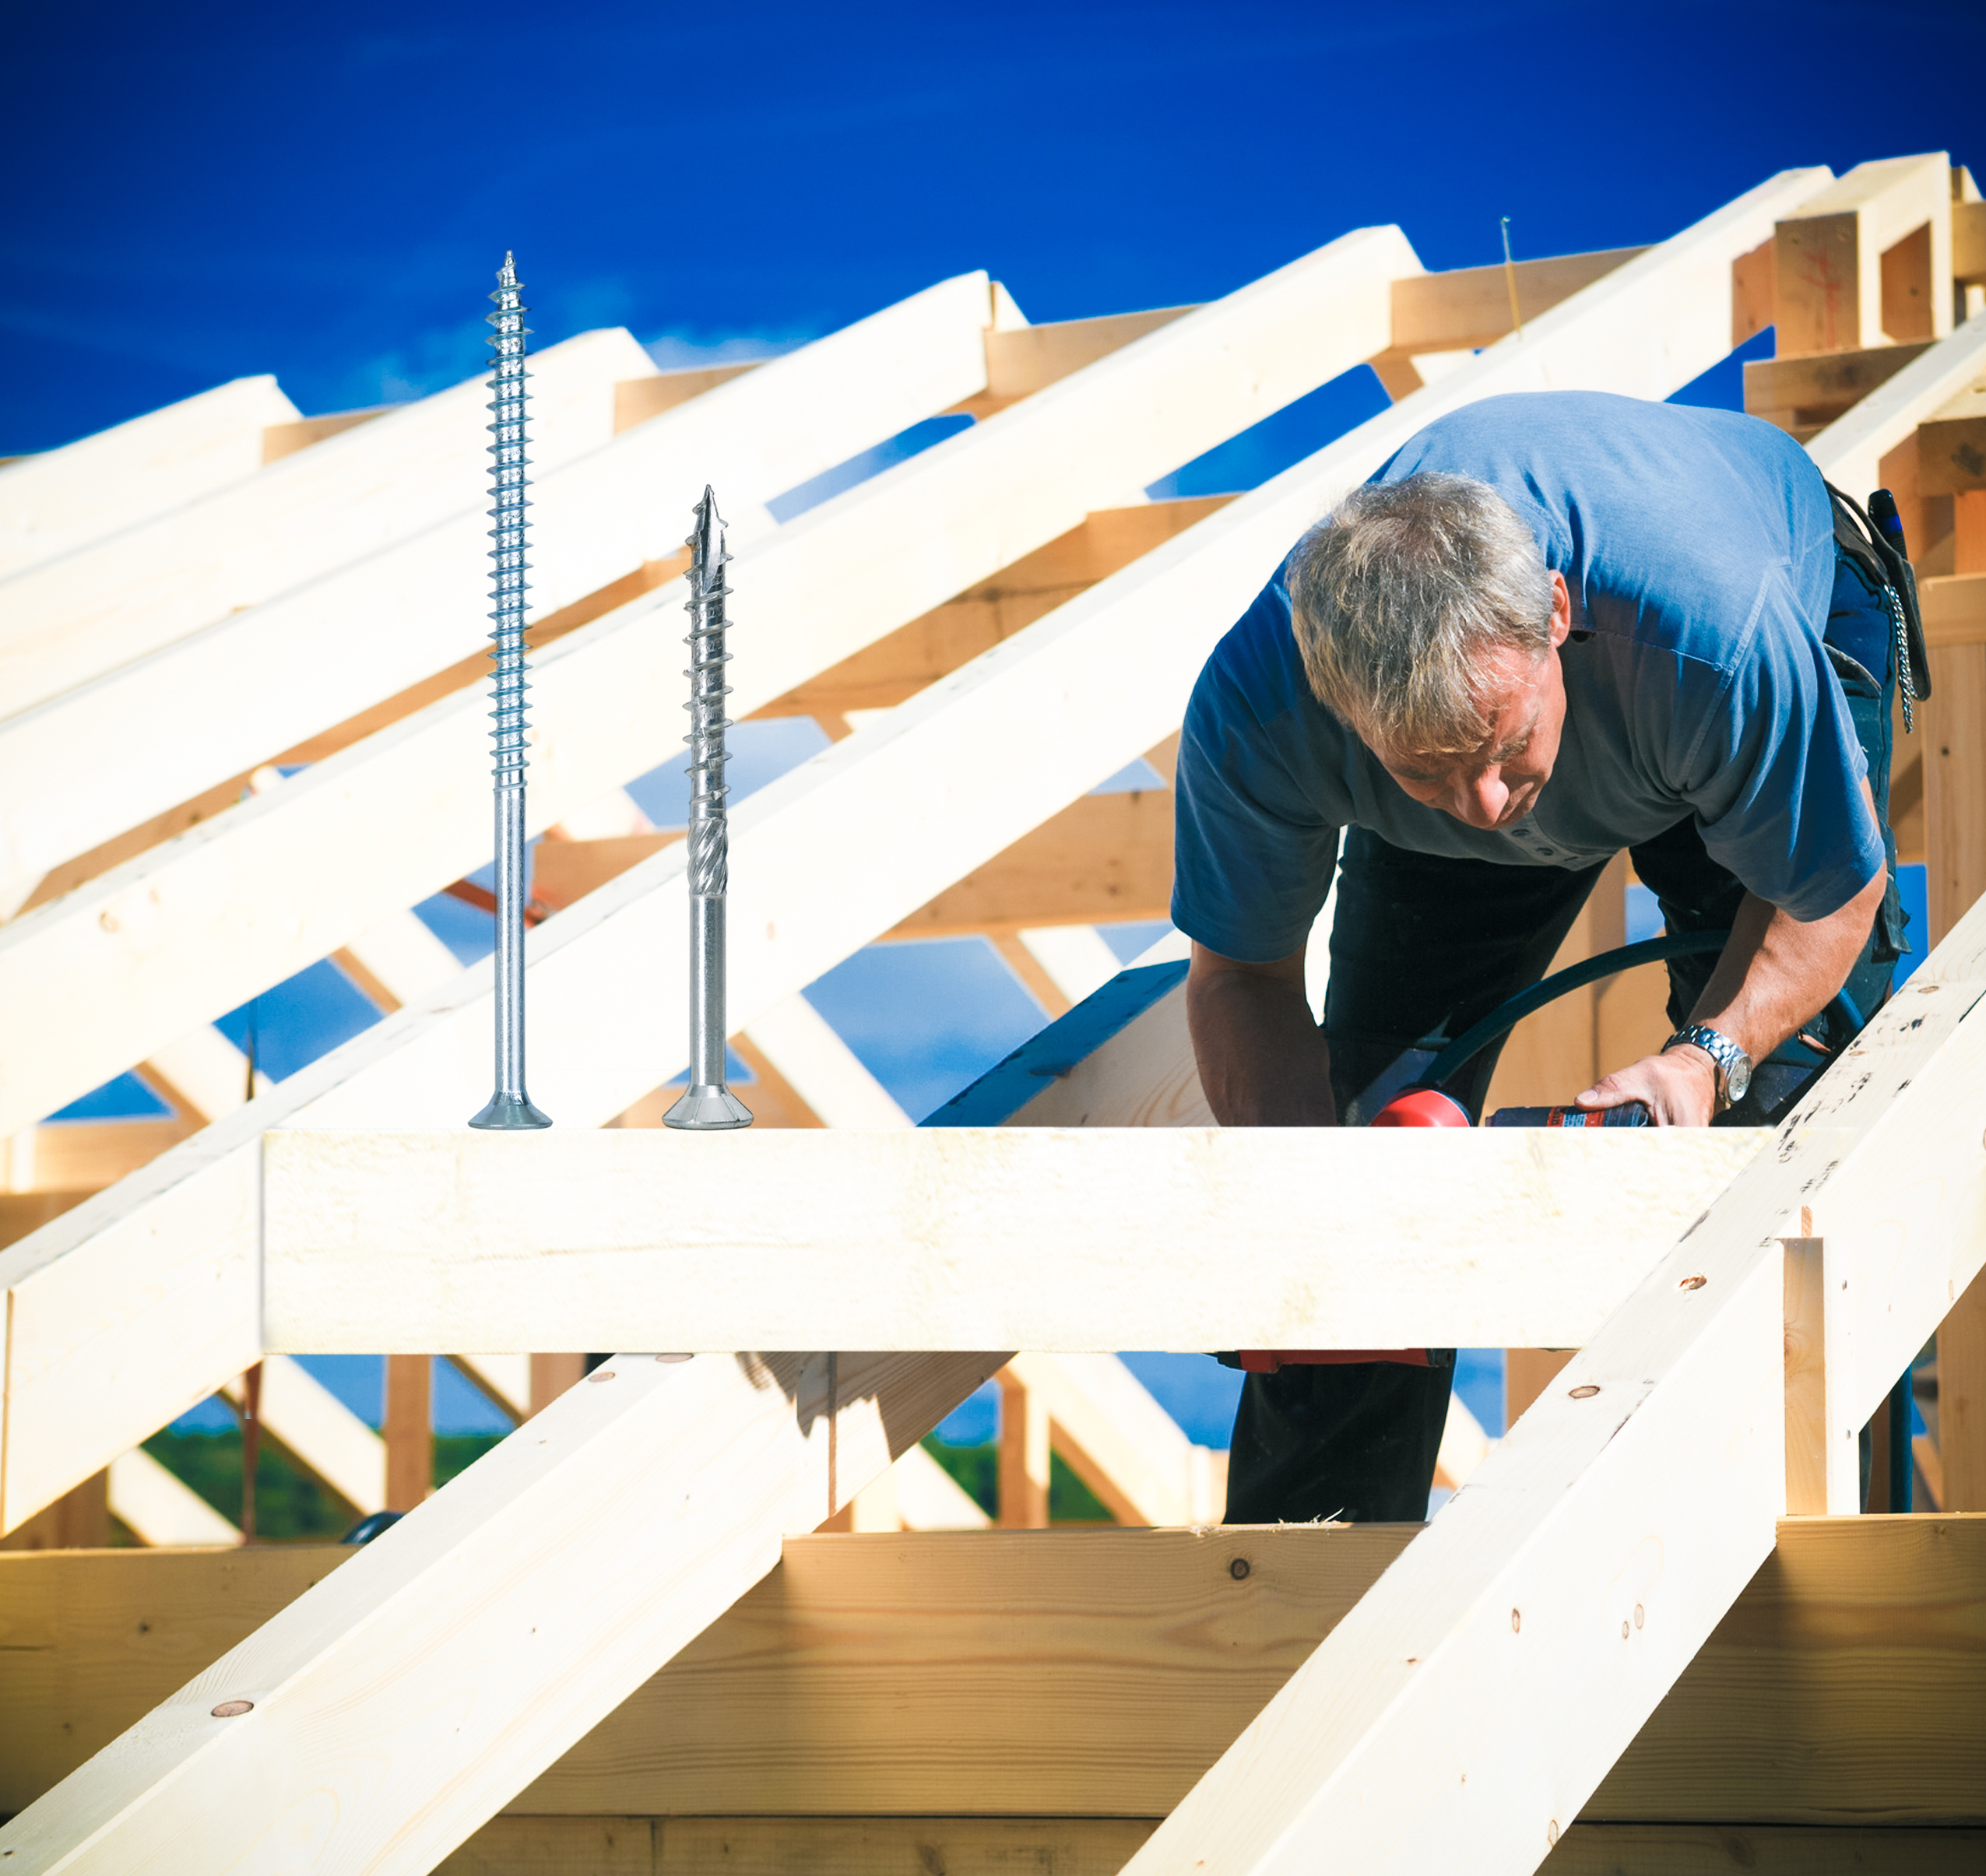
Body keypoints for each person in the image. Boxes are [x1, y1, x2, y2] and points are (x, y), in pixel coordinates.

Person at [1171, 389, 1921, 1524]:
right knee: (1364, 1174)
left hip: (1736, 662)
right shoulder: (1264, 702)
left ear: (1556, 612)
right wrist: (1315, 1208)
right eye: (1424, 769)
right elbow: (1241, 980)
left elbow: (1832, 890)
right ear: (1342, 708)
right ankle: (1306, 1603)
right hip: (1607, 703)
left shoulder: (1713, 630)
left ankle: (1803, 1580)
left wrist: (1701, 1056)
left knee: (1793, 1128)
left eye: (1500, 745)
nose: (1482, 803)